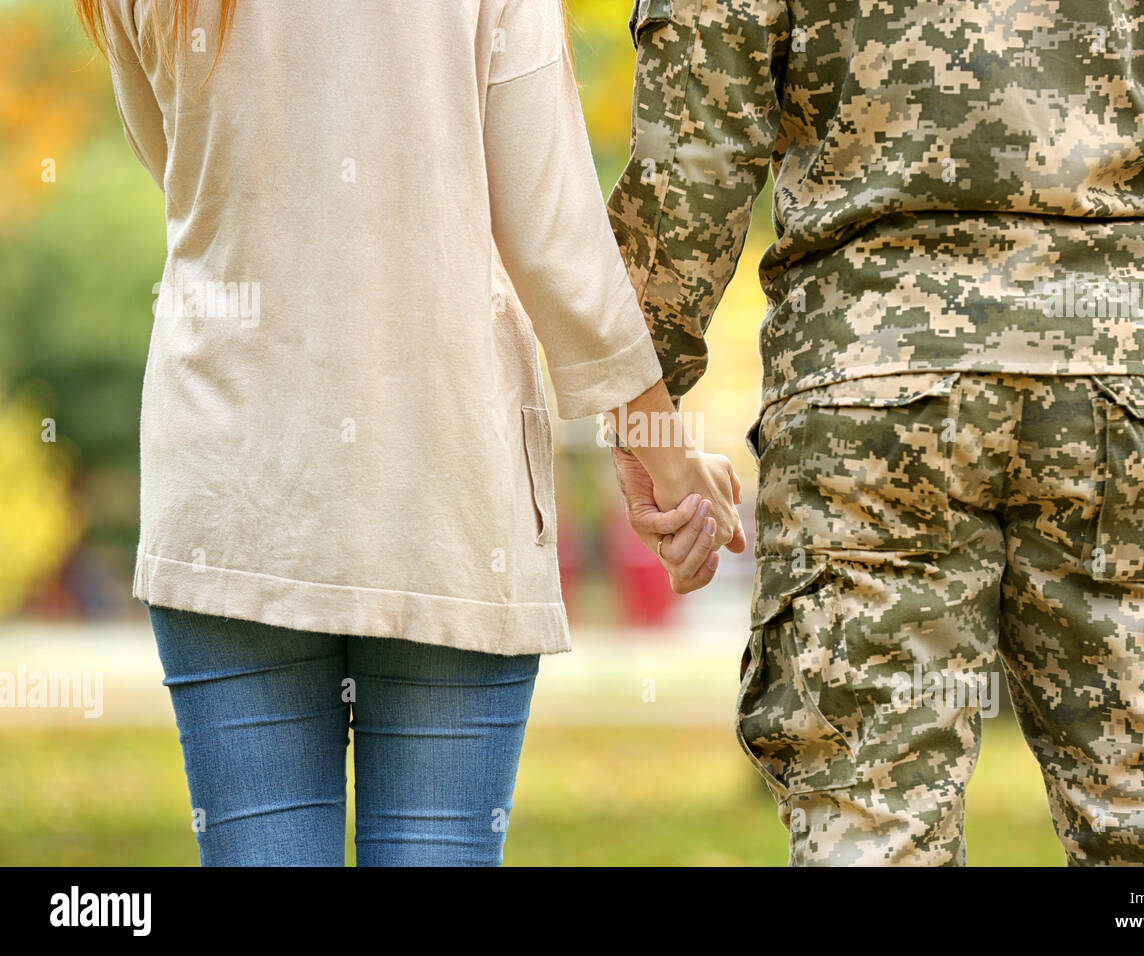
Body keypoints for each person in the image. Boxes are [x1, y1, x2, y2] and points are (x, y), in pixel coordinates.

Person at [609, 0, 1144, 865]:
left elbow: (694, 145)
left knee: (868, 832)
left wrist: (643, 412)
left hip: (866, 393)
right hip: (1123, 389)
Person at [77, 0, 741, 866]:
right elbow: (555, 241)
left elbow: (187, 175)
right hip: (445, 490)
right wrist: (665, 453)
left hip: (230, 488)